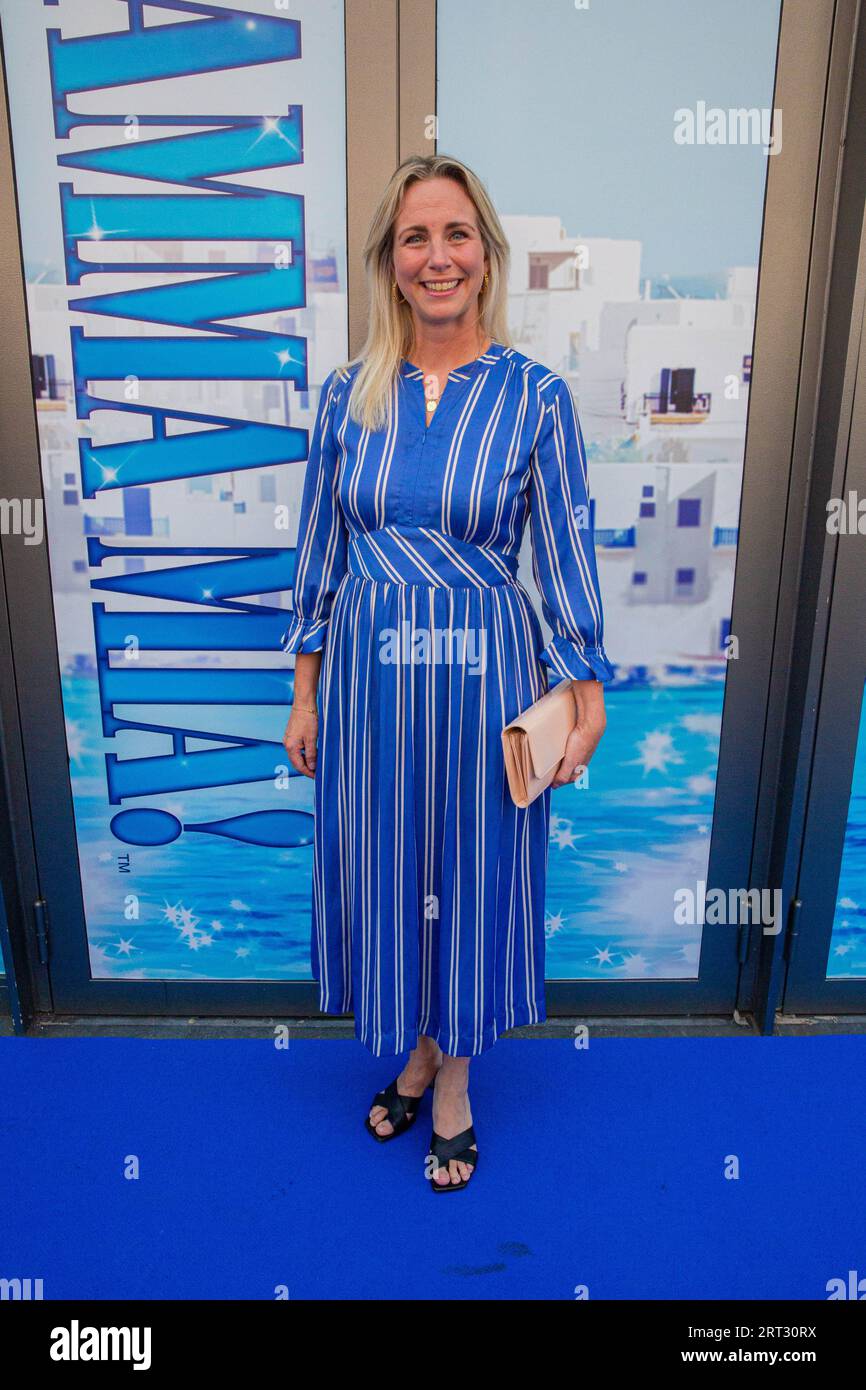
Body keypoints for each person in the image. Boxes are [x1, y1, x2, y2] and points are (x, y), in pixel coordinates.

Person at [282, 153, 613, 1191]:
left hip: (483, 675)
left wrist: (585, 696)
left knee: (470, 873)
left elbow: (560, 549)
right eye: (415, 237)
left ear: (485, 255)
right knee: (389, 865)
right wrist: (303, 691)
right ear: (389, 261)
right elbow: (320, 553)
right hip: (369, 682)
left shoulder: (535, 398)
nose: (438, 257)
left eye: (456, 235)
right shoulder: (347, 396)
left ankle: (454, 1075)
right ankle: (414, 1046)